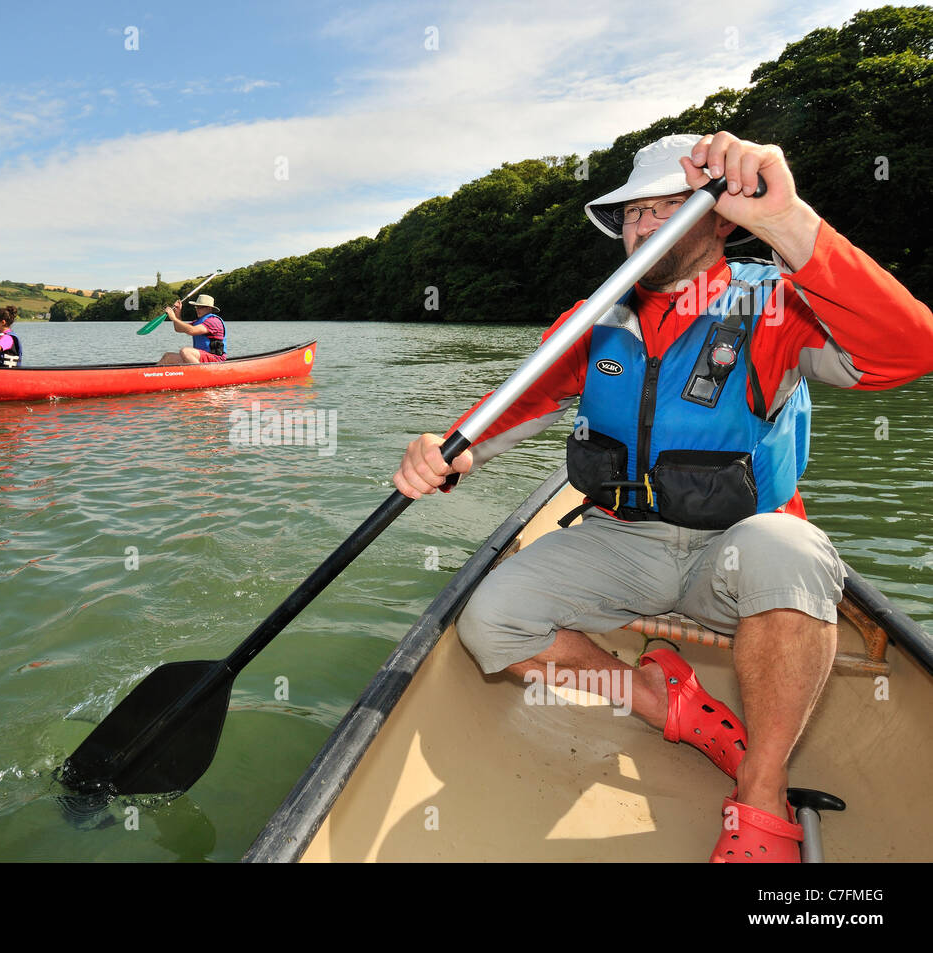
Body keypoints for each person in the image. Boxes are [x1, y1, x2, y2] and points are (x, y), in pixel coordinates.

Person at [391, 132, 933, 863]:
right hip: (624, 539)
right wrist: (444, 452)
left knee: (791, 551)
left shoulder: (777, 304)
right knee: (492, 621)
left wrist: (789, 222)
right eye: (634, 214)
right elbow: (515, 407)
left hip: (738, 549)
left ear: (718, 219)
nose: (645, 227)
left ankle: (761, 792)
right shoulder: (595, 319)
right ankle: (665, 701)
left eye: (669, 208)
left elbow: (908, 349)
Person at [156, 294, 227, 364]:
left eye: (201, 307)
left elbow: (192, 330)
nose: (197, 309)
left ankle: (202, 373)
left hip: (215, 359)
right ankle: (150, 374)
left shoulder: (213, 321)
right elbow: (178, 328)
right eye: (196, 307)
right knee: (168, 357)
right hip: (201, 358)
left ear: (209, 308)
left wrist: (173, 318)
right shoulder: (197, 322)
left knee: (186, 351)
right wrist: (178, 313)